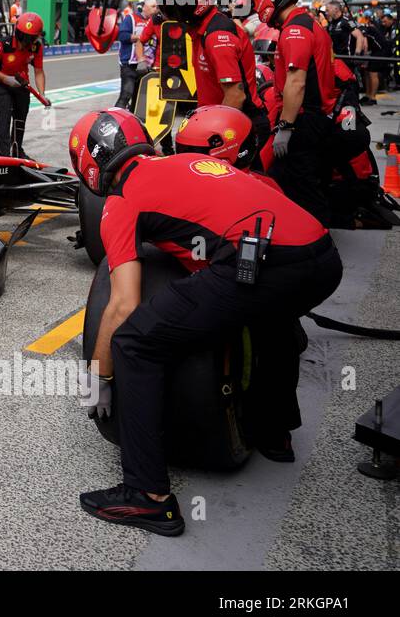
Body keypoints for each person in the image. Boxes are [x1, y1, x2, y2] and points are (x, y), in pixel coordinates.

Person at [70, 107, 343, 536]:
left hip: (262, 264)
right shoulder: (192, 161)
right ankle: (275, 432)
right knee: (270, 314)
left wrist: (98, 374)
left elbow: (123, 304)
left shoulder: (121, 200)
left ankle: (148, 497)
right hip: (322, 256)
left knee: (133, 343)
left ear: (89, 166)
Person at [160, 0, 270, 166]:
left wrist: (212, 139)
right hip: (223, 124)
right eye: (168, 5)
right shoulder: (199, 30)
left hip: (237, 126)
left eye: (179, 3)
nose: (174, 11)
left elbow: (235, 95)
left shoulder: (217, 34)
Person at [249, 0, 340, 226]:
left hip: (303, 120)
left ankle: (316, 244)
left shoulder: (295, 30)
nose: (257, 10)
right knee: (293, 182)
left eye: (258, 3)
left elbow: (296, 82)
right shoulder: (306, 23)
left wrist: (286, 127)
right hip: (313, 118)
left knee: (302, 186)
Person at [0, 11, 46, 158]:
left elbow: (38, 71)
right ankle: (4, 156)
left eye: (31, 39)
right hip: (3, 84)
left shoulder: (36, 47)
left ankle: (17, 151)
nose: (26, 43)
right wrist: (6, 79)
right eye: (24, 38)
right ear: (17, 33)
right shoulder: (3, 44)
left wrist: (42, 93)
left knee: (20, 119)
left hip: (22, 84)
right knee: (4, 121)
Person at [114, 1, 150, 109]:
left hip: (145, 64)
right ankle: (116, 117)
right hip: (129, 63)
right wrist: (138, 37)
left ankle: (134, 119)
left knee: (140, 96)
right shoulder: (131, 18)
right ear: (144, 8)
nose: (156, 9)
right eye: (153, 7)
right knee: (126, 93)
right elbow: (122, 35)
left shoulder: (153, 21)